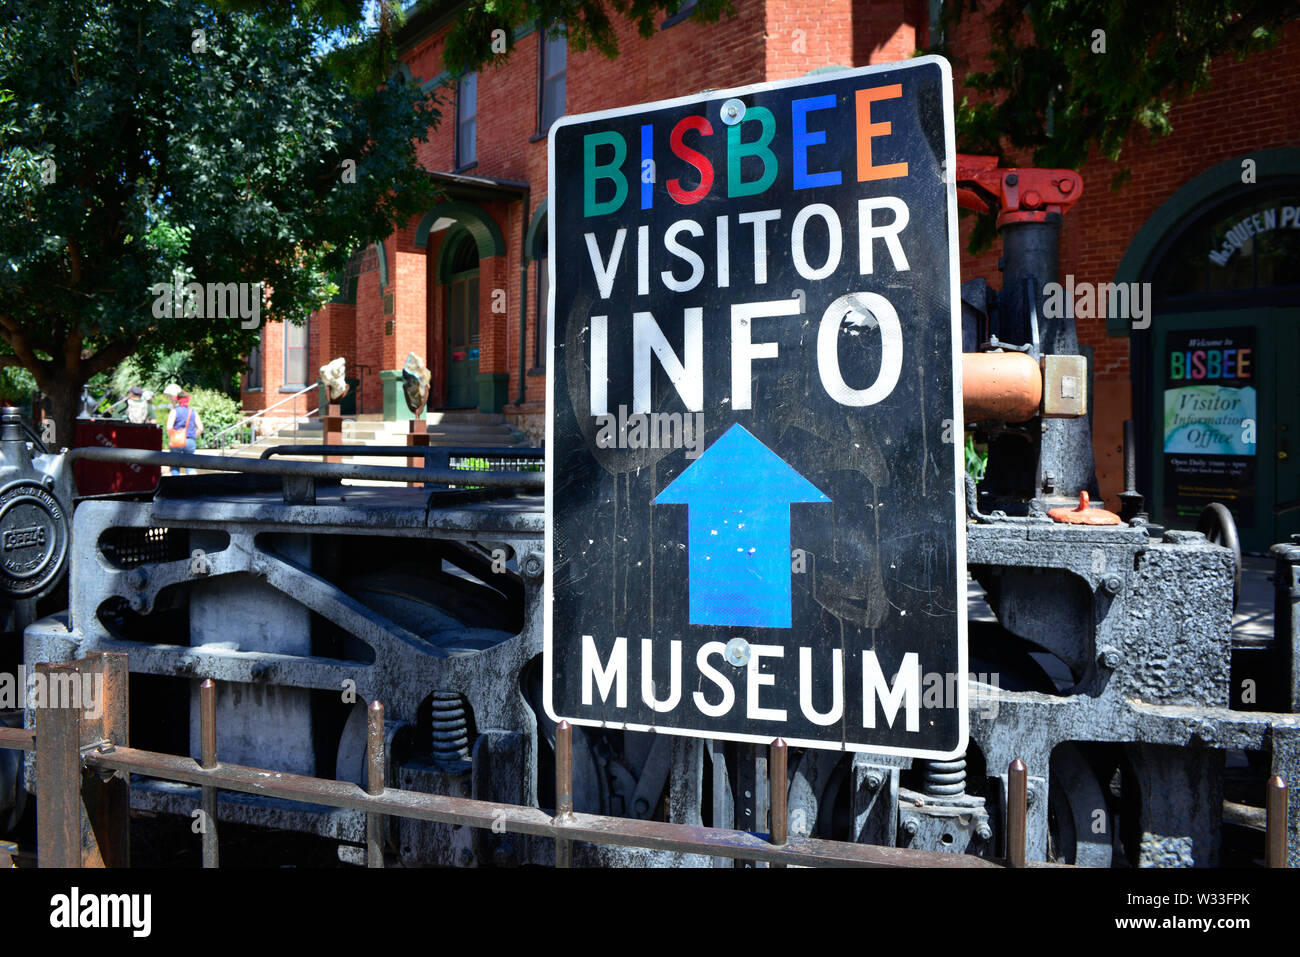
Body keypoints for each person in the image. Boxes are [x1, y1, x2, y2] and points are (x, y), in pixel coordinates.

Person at [165, 391, 203, 475]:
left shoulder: (174, 411)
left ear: (178, 400)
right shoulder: (193, 411)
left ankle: (176, 486)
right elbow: (200, 428)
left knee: (175, 466)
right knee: (190, 465)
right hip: (190, 440)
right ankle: (193, 485)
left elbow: (169, 427)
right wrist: (193, 436)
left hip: (176, 441)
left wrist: (172, 437)